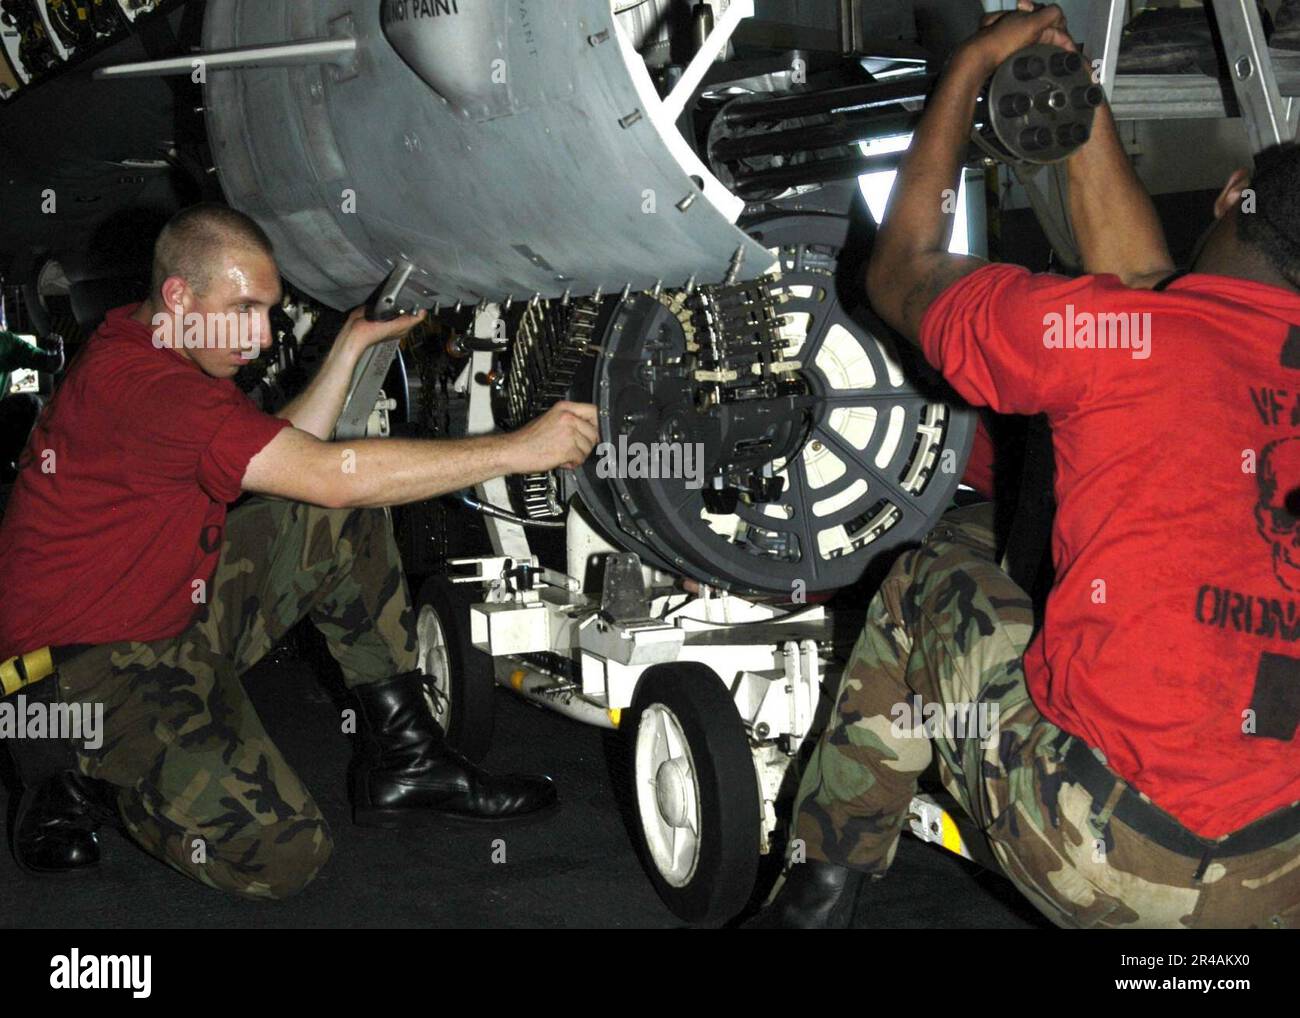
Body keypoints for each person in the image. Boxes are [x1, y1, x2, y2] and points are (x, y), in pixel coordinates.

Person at [753, 2, 1300, 928]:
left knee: (927, 582)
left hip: (1107, 853)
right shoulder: (1154, 333)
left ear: (1231, 192)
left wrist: (966, 70)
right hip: (1281, 879)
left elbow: (901, 268)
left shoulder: (1109, 340)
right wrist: (1073, 100)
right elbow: (1143, 289)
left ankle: (815, 894)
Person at [0, 203, 598, 897]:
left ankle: (407, 759)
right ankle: (81, 776)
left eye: (267, 311)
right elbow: (330, 474)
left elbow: (286, 456)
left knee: (336, 519)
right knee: (283, 855)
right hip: (83, 674)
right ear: (179, 296)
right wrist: (519, 449)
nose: (259, 336)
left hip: (167, 612)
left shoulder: (150, 340)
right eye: (244, 310)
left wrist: (350, 345)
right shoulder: (150, 389)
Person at [0, 328, 63, 479]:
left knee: (29, 404)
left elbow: (50, 364)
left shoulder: (6, 343)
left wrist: (55, 351)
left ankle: (6, 463)